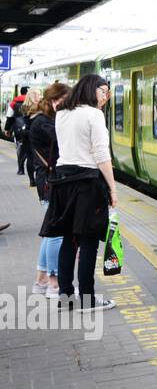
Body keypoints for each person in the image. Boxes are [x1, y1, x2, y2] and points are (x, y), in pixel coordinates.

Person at [40, 75, 117, 312]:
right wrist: (113, 189)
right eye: (103, 91)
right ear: (91, 90)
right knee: (89, 242)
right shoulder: (94, 115)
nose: (106, 96)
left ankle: (65, 296)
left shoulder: (62, 113)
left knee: (68, 241)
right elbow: (101, 155)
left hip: (64, 182)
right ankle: (87, 299)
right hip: (87, 182)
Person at [29, 82, 71, 298]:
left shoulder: (45, 121)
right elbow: (62, 139)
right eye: (65, 100)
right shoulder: (43, 124)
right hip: (50, 183)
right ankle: (54, 282)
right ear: (55, 100)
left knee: (50, 233)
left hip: (49, 181)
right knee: (55, 234)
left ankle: (41, 279)